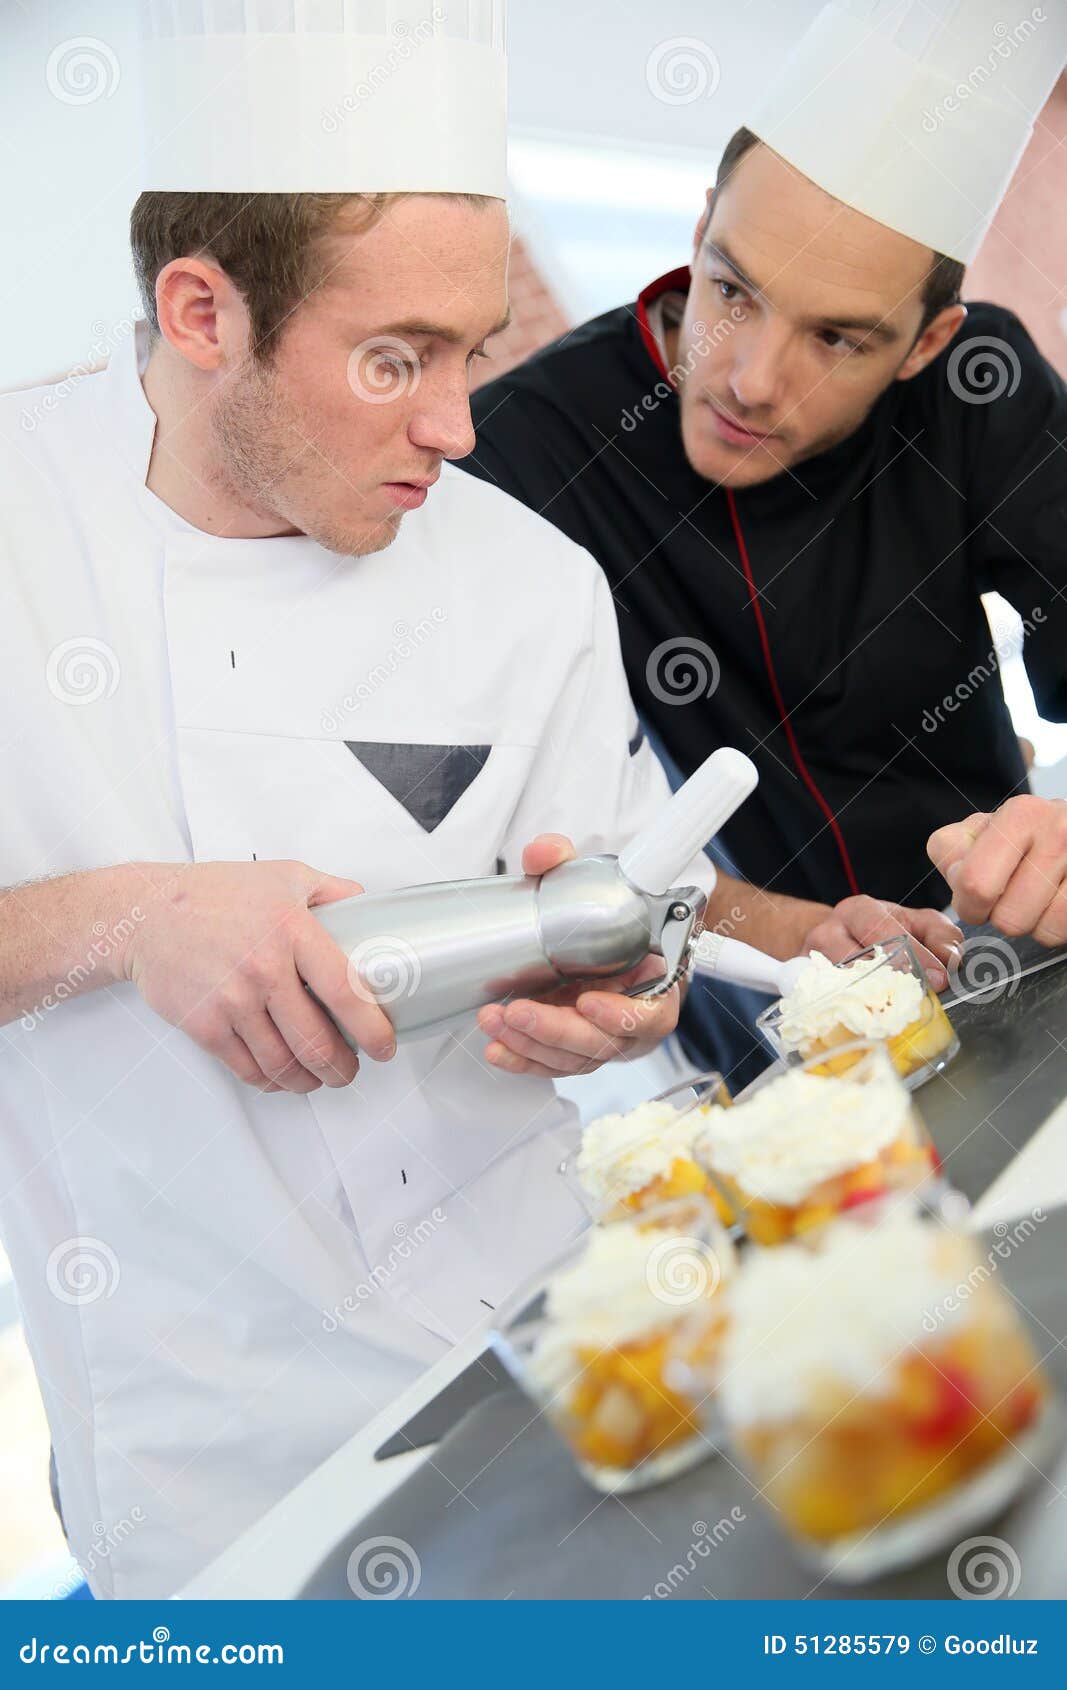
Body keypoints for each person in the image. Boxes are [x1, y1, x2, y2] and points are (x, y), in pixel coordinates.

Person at [0, 4, 960, 1598]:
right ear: (199, 312)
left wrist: (630, 989)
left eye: (471, 347)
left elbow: (624, 898)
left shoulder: (528, 584)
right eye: (396, 360)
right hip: (212, 1474)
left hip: (556, 1368)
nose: (456, 424)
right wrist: (134, 918)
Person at [461, 0, 1067, 1073]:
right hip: (755, 1018)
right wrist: (784, 934)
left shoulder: (980, 390)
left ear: (928, 343)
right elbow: (528, 823)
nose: (747, 379)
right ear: (696, 235)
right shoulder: (522, 450)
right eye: (731, 290)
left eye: (837, 337)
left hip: (1016, 959)